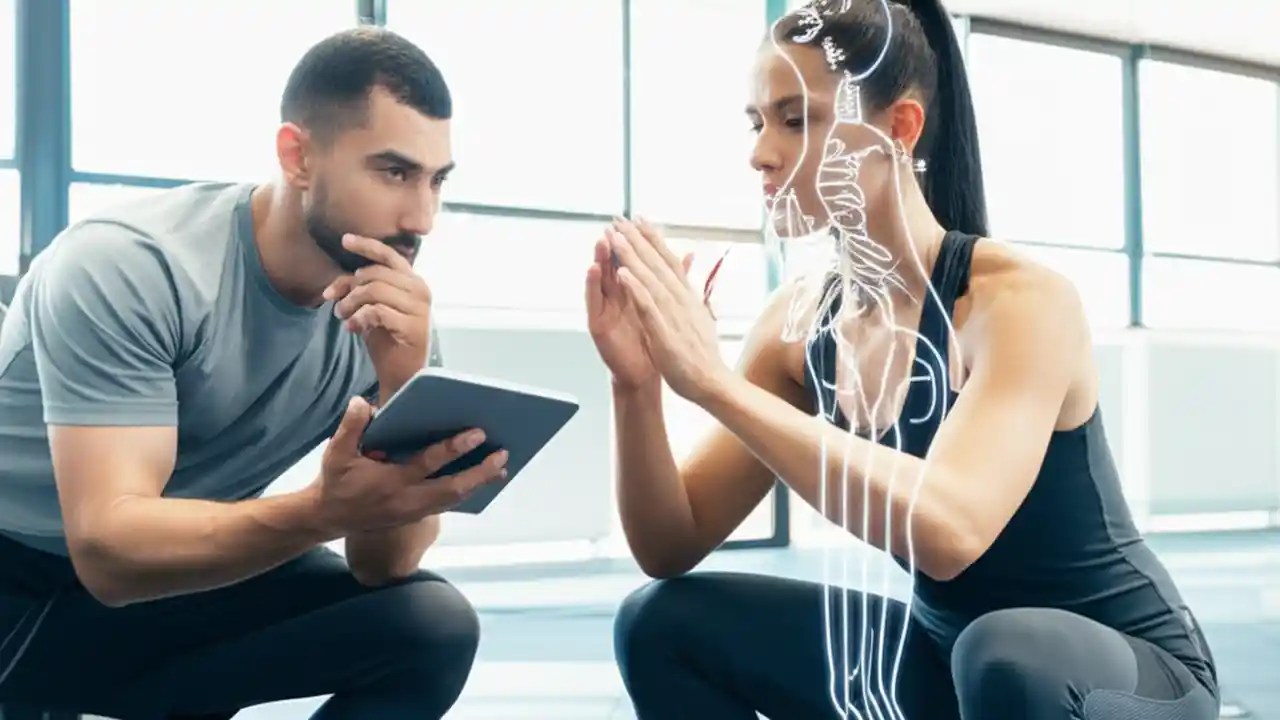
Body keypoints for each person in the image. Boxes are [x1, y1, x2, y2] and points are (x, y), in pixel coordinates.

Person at [588, 1, 1221, 718]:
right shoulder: (799, 327)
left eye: (796, 120)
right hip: (953, 665)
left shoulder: (1017, 302)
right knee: (660, 623)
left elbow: (950, 531)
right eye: (756, 122)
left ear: (900, 128)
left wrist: (713, 385)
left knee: (1003, 654)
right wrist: (635, 386)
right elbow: (670, 543)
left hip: (1123, 677)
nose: (761, 152)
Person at [0, 27, 506, 720]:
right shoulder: (134, 265)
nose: (422, 218)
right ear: (298, 157)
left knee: (429, 626)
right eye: (393, 173)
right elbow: (109, 556)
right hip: (23, 586)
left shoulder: (385, 318)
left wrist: (402, 388)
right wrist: (322, 511)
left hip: (170, 571)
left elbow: (384, 565)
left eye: (436, 180)